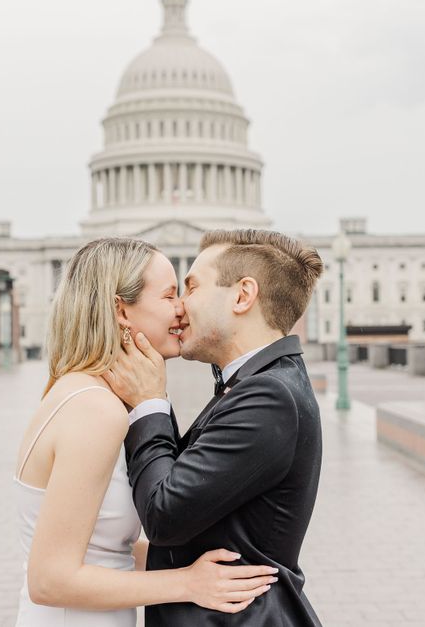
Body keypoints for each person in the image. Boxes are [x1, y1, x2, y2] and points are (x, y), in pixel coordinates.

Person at [13, 237, 278, 627]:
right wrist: (187, 583)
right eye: (170, 295)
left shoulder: (79, 391)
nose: (182, 308)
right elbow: (50, 579)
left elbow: (104, 549)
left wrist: (206, 561)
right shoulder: (95, 409)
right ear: (121, 309)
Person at [105, 229, 325, 626]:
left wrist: (149, 404)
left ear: (242, 295)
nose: (179, 306)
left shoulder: (268, 396)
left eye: (191, 287)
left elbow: (163, 515)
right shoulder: (259, 383)